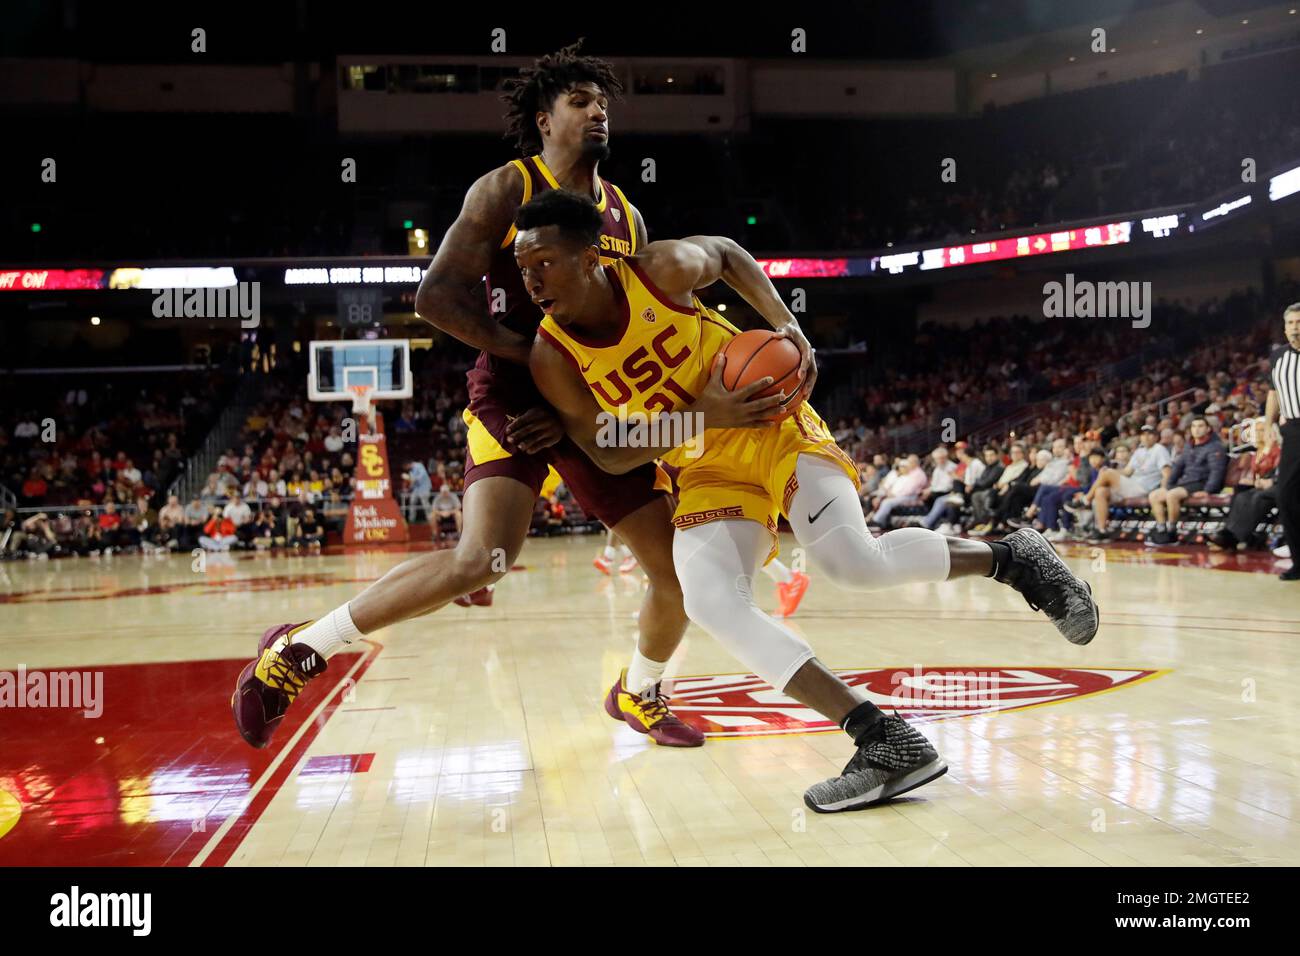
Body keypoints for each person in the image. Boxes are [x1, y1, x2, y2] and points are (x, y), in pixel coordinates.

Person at [519, 189, 1099, 810]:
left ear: (589, 257)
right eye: (523, 268)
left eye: (544, 262)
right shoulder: (551, 355)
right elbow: (608, 452)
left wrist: (785, 323)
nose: (531, 280)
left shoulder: (656, 270)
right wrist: (701, 414)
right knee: (710, 599)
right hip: (704, 466)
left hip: (774, 425)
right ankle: (883, 740)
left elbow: (729, 254)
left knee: (852, 563)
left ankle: (1011, 556)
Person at [232, 42, 708, 754]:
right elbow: (434, 297)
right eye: (580, 101)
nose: (598, 110)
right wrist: (533, 354)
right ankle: (301, 650)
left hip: (591, 410)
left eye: (602, 100)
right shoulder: (504, 189)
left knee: (677, 570)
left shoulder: (627, 218)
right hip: (516, 398)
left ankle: (637, 693)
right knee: (482, 557)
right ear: (545, 120)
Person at [1263, 302, 1300, 580]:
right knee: (1286, 495)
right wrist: (1268, 424)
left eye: (1299, 322)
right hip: (1293, 432)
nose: (1295, 327)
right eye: (1291, 323)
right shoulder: (1277, 356)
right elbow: (1274, 392)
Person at [1147, 417, 1226, 545]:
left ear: (1208, 429)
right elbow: (1178, 466)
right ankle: (1161, 529)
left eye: (1200, 426)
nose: (1197, 429)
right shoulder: (1189, 445)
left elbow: (1217, 471)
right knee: (1154, 495)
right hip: (1186, 482)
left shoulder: (1215, 447)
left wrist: (1208, 490)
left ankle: (1172, 532)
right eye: (1194, 426)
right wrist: (1169, 484)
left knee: (1172, 495)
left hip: (1202, 482)